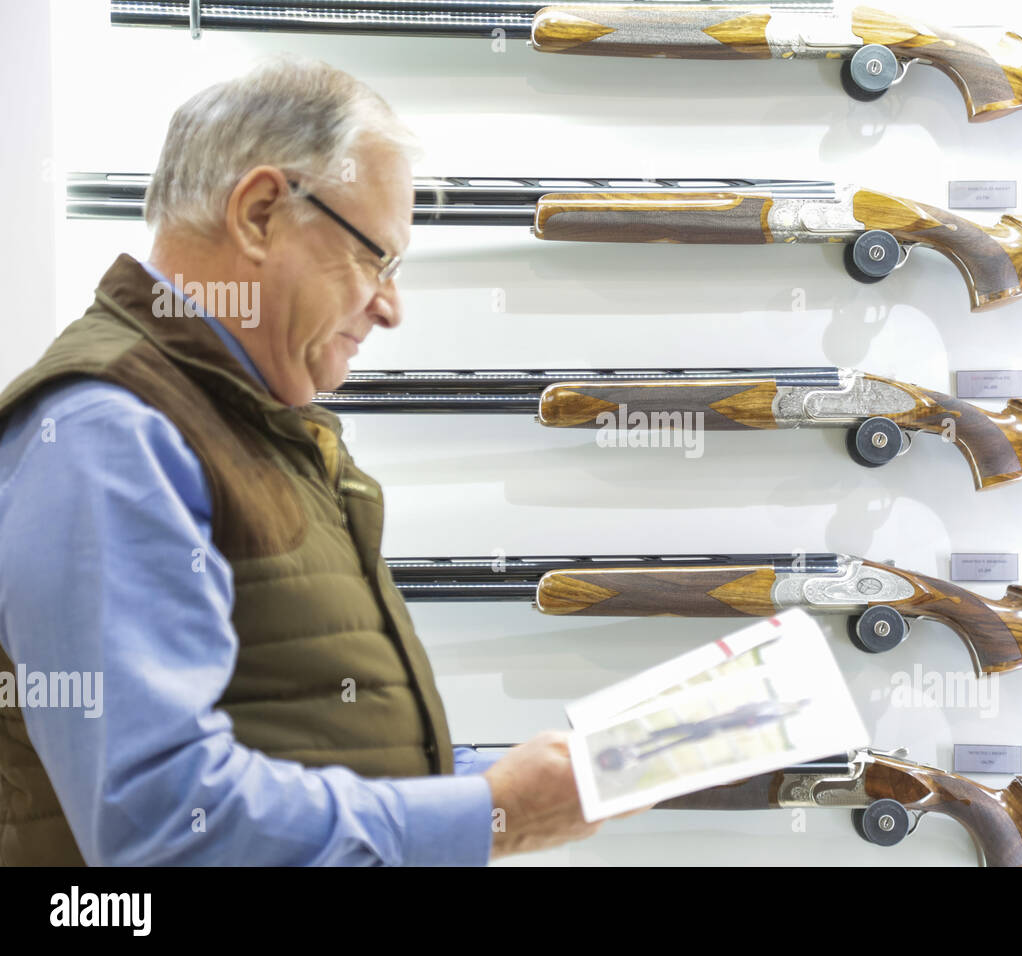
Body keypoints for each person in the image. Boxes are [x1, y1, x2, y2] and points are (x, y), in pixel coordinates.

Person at [0, 58, 599, 866]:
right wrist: (489, 814)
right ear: (258, 214)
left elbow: (296, 743)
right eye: (374, 258)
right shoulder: (111, 431)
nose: (389, 306)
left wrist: (491, 789)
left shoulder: (226, 419)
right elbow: (170, 826)